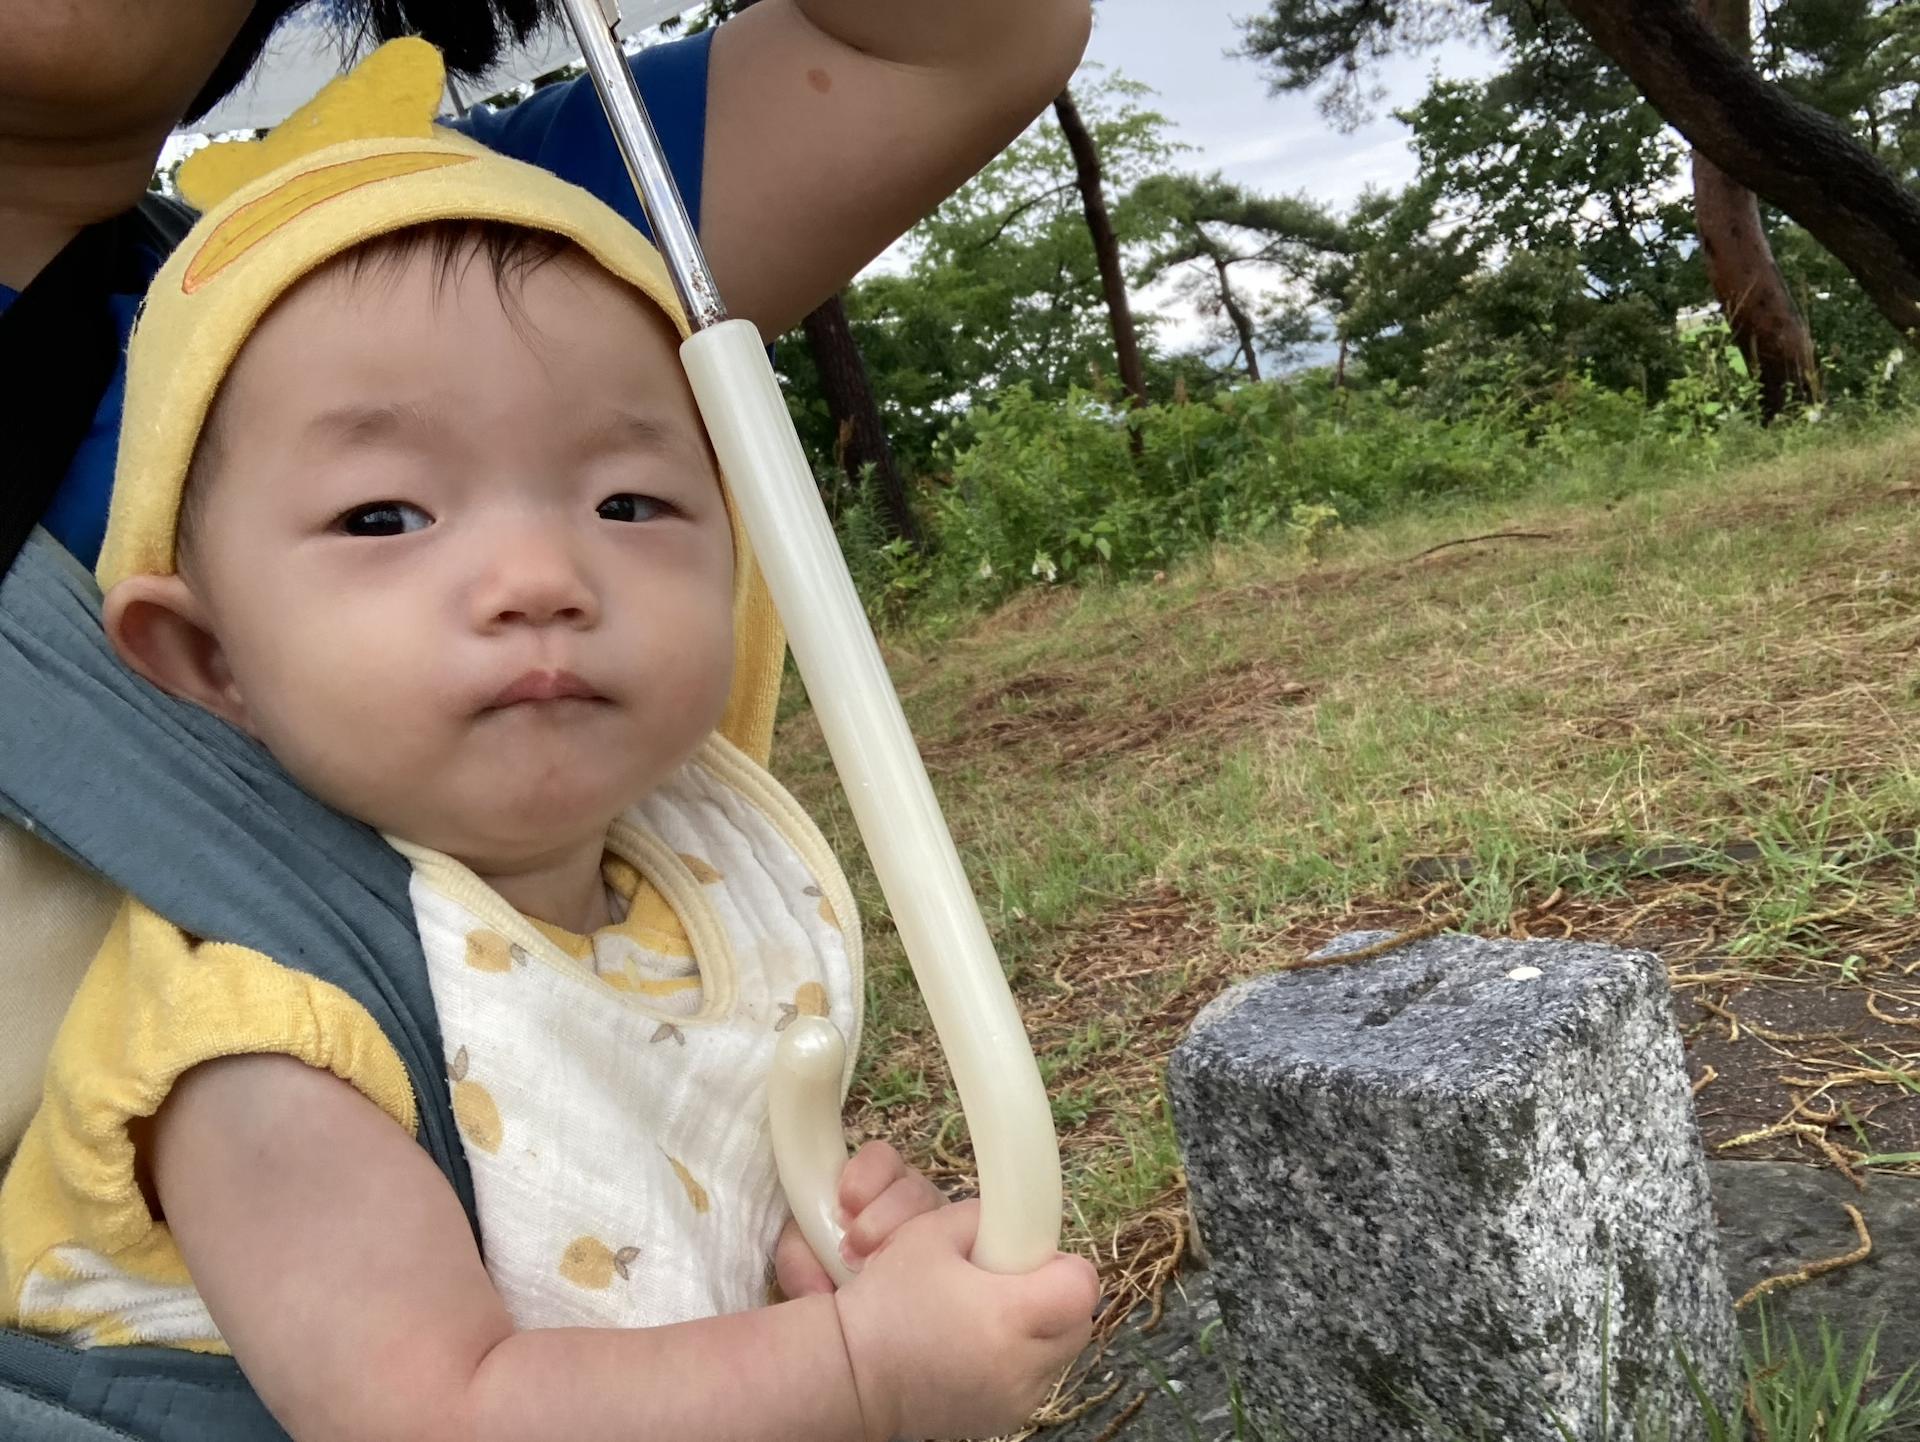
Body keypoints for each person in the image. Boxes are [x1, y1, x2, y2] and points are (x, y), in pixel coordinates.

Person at [0, 42, 1098, 1442]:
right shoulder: (265, 1044)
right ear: (208, 656)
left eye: (629, 503)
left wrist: (804, 1247)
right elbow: (440, 1414)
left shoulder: (676, 897)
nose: (540, 575)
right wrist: (855, 1366)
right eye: (385, 517)